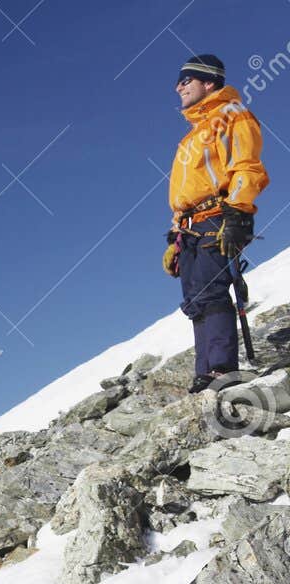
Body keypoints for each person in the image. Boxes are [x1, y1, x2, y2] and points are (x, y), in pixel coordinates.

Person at [163, 54, 269, 392]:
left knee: (211, 294)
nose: (179, 85)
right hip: (190, 228)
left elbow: (246, 165)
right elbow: (185, 190)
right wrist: (176, 231)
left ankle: (222, 370)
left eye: (187, 79)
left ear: (209, 82)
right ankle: (204, 372)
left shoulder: (230, 116)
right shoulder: (191, 137)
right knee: (196, 301)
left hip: (216, 218)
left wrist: (238, 213)